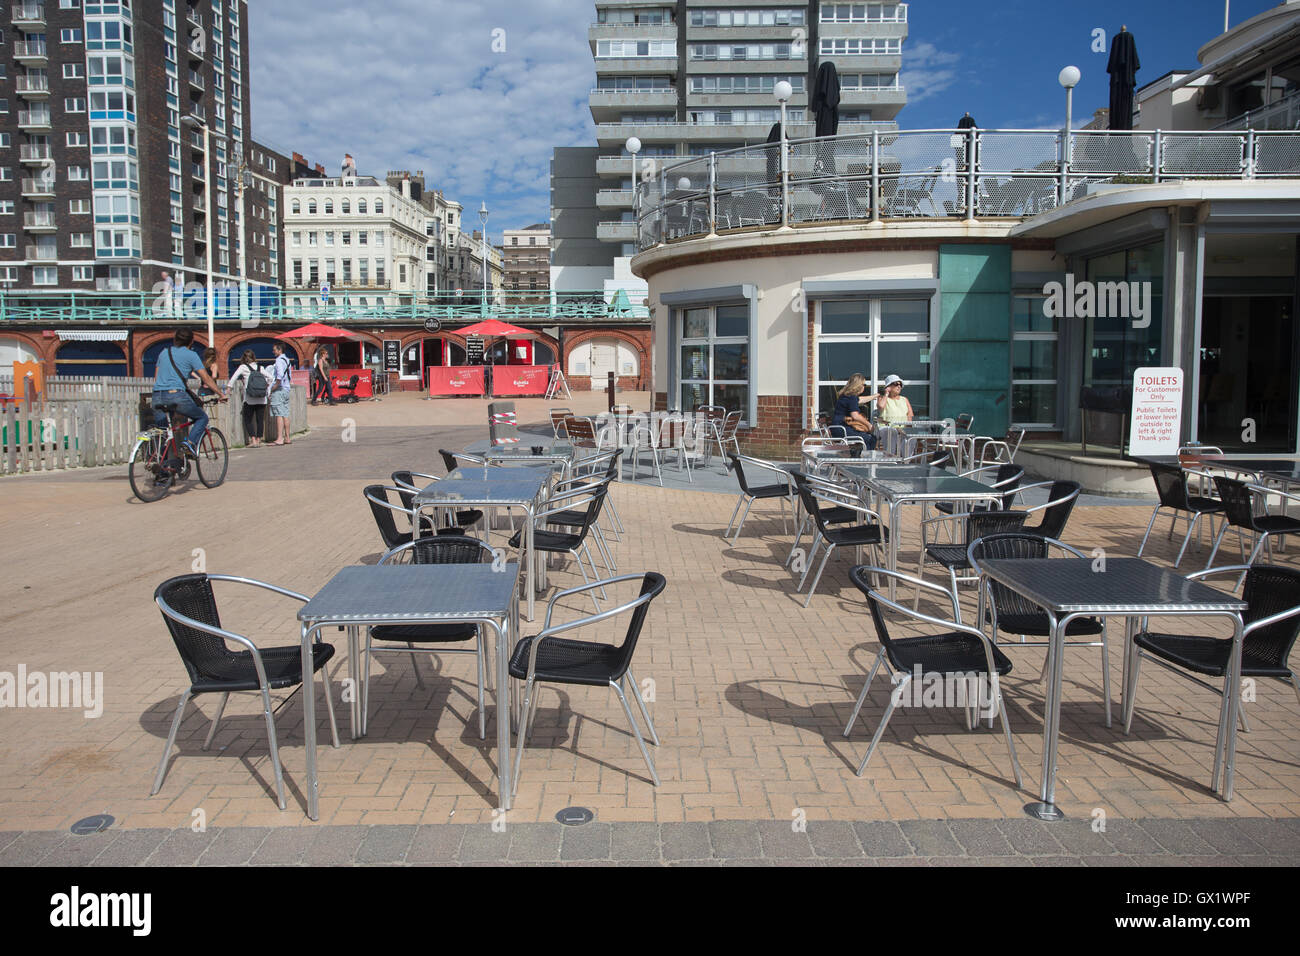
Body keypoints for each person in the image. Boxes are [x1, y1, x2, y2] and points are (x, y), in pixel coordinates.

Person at [151, 329, 225, 458]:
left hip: (157, 395)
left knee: (164, 433)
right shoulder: (191, 355)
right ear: (191, 342)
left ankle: (162, 468)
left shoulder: (164, 353)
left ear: (175, 339)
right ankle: (189, 443)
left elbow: (156, 378)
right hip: (176, 395)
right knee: (202, 418)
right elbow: (206, 378)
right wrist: (220, 394)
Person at [226, 348, 268, 447]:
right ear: (253, 357)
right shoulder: (260, 367)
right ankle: (259, 440)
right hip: (262, 398)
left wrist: (228, 388)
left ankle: (253, 440)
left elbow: (233, 378)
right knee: (260, 420)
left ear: (244, 358)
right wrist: (267, 388)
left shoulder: (243, 367)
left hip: (249, 398)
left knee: (248, 419)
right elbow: (271, 377)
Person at [831, 373, 877, 450]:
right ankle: (867, 460)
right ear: (858, 385)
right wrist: (869, 425)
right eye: (864, 384)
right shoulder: (852, 398)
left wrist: (874, 396)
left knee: (865, 437)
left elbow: (860, 399)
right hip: (843, 430)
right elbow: (855, 415)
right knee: (871, 439)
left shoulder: (846, 396)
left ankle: (858, 457)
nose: (864, 387)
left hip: (836, 429)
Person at [268, 343, 294, 446]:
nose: (273, 352)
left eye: (274, 350)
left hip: (279, 389)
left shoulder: (279, 361)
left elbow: (279, 376)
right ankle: (287, 437)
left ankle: (279, 438)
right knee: (285, 414)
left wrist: (273, 388)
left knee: (278, 414)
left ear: (279, 350)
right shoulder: (287, 360)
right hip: (286, 389)